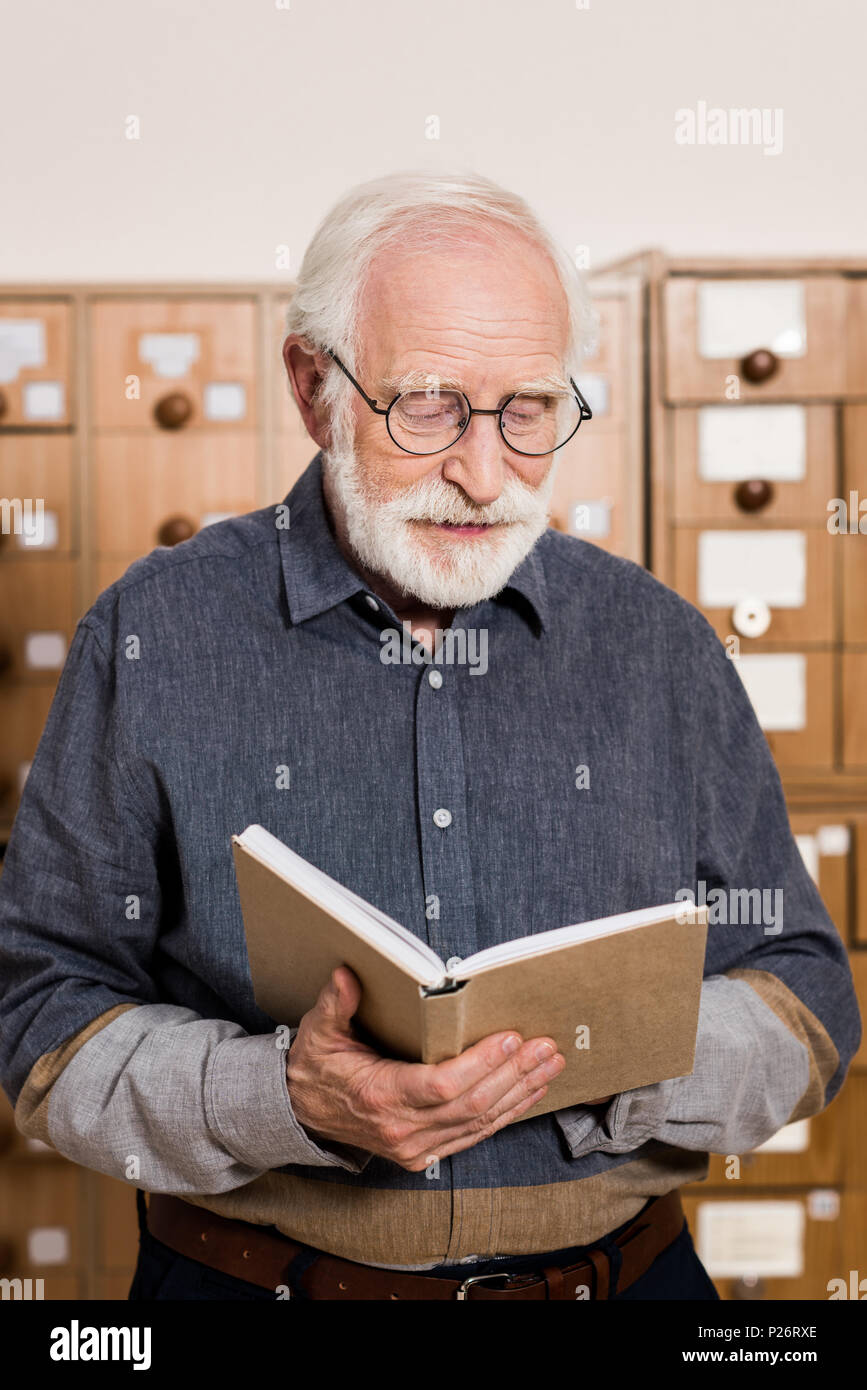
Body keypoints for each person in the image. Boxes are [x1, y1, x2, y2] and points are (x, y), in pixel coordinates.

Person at [0, 172, 859, 1301]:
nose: (484, 471)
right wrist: (285, 1096)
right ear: (314, 386)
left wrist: (612, 1057)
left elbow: (809, 995)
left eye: (531, 410)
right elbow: (38, 1019)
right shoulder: (153, 633)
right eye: (428, 404)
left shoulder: (659, 644)